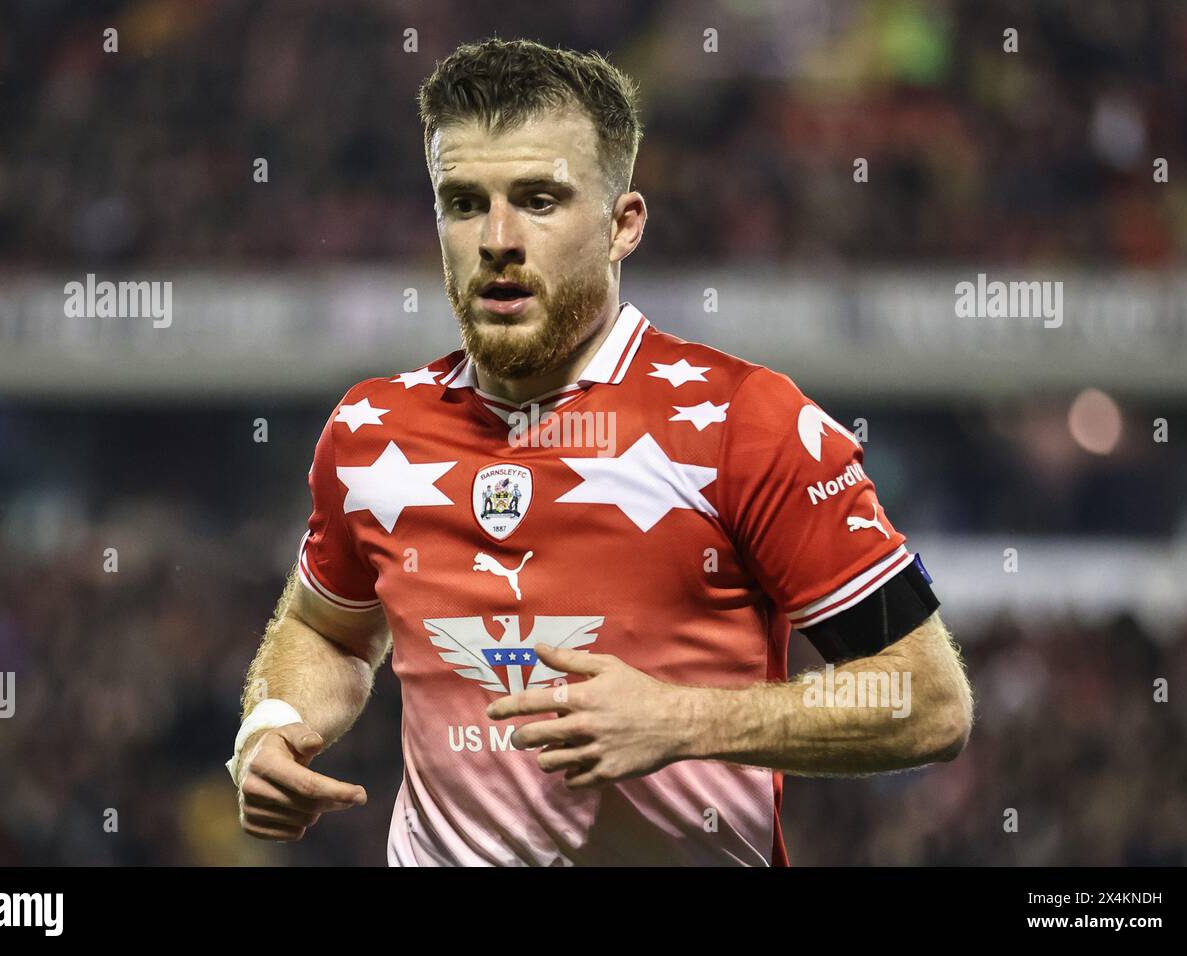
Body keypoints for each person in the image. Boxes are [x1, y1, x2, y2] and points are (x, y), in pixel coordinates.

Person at [227, 38, 972, 866]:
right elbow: (327, 631)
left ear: (624, 226)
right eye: (464, 201)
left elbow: (927, 698)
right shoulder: (372, 430)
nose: (497, 238)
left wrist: (684, 720)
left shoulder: (743, 422)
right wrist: (274, 723)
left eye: (540, 200)